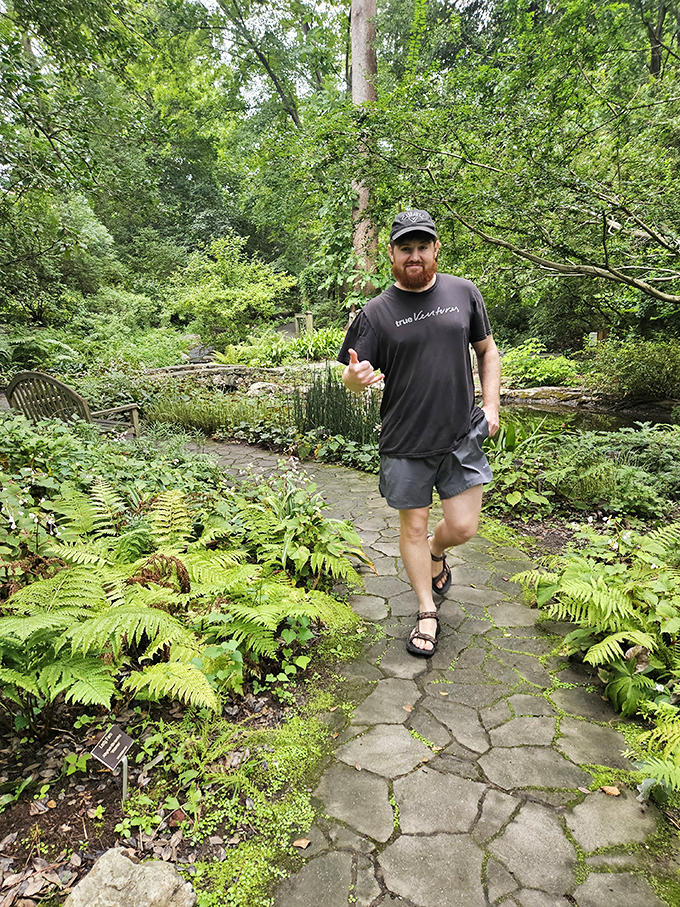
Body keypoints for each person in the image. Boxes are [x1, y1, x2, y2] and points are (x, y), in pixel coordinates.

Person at [338, 209, 500, 657]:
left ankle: (436, 552)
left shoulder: (463, 293)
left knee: (464, 527)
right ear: (390, 253)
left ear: (435, 249)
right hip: (405, 440)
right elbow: (350, 377)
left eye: (422, 246)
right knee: (413, 525)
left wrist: (491, 404)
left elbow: (487, 352)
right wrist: (357, 378)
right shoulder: (376, 312)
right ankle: (426, 610)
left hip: (460, 434)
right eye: (405, 248)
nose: (414, 255)